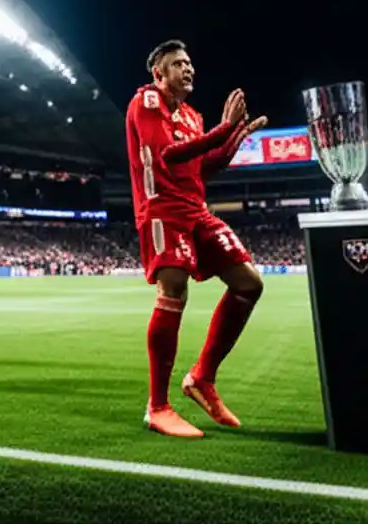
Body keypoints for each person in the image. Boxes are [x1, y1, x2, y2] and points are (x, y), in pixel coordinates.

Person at [125, 39, 268, 438]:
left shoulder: (192, 115)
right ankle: (158, 407)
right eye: (177, 64)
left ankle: (202, 378)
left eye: (190, 62)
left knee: (249, 284)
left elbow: (204, 165)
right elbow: (167, 154)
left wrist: (233, 139)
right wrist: (223, 129)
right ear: (159, 74)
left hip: (195, 210)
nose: (187, 69)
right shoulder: (147, 101)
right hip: (162, 209)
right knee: (174, 290)